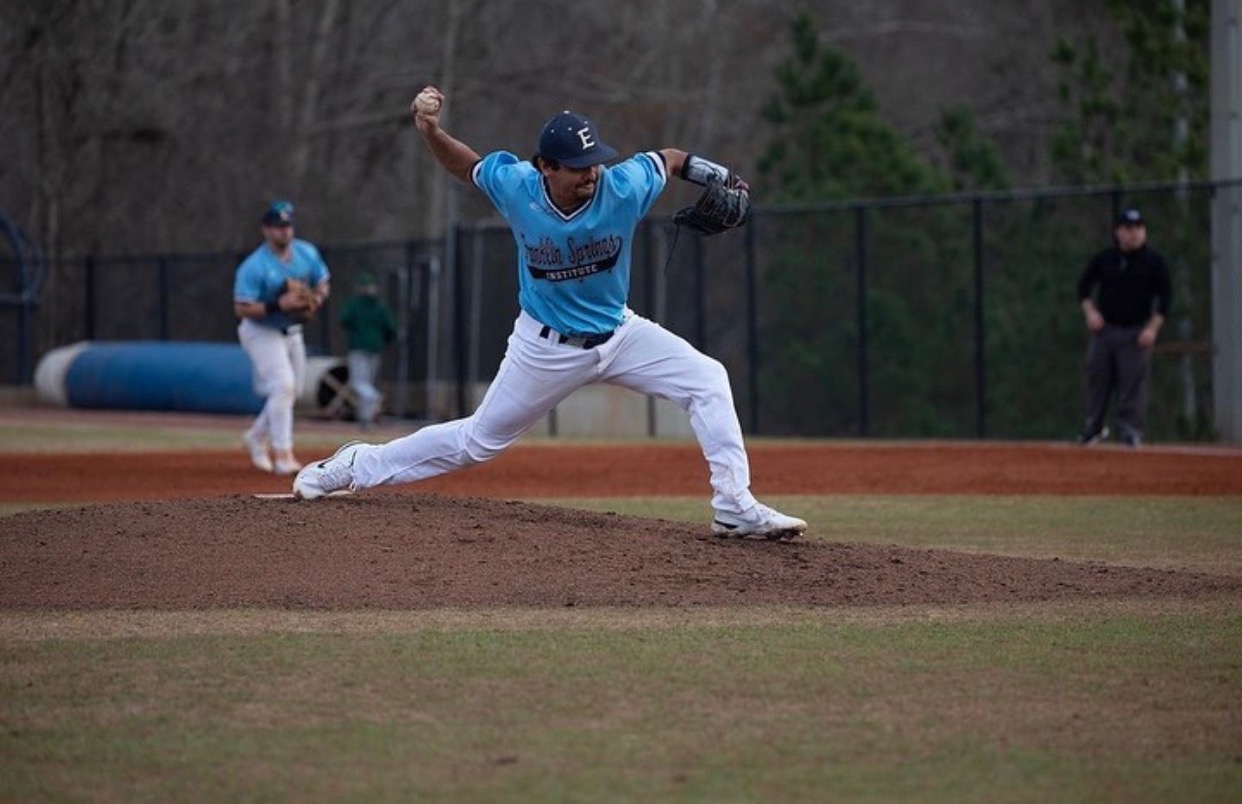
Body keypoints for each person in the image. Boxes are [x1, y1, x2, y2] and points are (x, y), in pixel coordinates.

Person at [293, 86, 806, 540]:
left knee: (708, 379)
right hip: (545, 346)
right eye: (579, 166)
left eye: (595, 161)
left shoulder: (622, 186)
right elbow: (466, 166)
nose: (592, 173)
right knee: (476, 443)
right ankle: (358, 464)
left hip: (619, 334)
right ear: (546, 167)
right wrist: (430, 131)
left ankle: (733, 506)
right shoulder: (517, 186)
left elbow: (669, 158)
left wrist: (719, 175)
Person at [233, 199, 331, 474]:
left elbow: (323, 282)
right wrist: (278, 305)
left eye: (287, 225)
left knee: (292, 391)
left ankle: (255, 436)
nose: (284, 231)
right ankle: (283, 454)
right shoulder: (255, 266)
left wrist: (317, 298)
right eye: (277, 226)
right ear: (266, 230)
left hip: (291, 331)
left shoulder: (306, 253)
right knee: (283, 385)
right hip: (260, 330)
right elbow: (240, 307)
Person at [1075, 208, 1172, 448]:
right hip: (1106, 330)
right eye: (1129, 228)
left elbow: (1165, 300)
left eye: (1139, 228)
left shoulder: (1154, 262)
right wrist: (1090, 312)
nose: (1134, 233)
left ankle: (1130, 430)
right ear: (1118, 232)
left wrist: (1152, 328)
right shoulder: (1105, 259)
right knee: (1098, 377)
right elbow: (1083, 287)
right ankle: (1094, 426)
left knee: (1132, 384)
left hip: (1136, 332)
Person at [339, 271, 398, 429]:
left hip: (358, 346)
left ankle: (374, 397)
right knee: (367, 383)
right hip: (375, 347)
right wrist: (382, 340)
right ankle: (365, 420)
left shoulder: (355, 304)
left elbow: (344, 320)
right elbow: (391, 328)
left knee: (359, 383)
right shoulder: (380, 306)